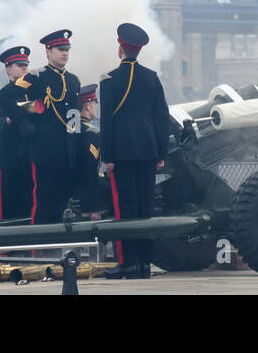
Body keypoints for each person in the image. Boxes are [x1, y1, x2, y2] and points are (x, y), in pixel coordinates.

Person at [99, 22, 171, 279]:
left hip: (121, 154)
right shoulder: (151, 78)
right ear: (138, 50)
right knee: (145, 208)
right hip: (149, 152)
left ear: (120, 48)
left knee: (125, 210)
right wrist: (161, 153)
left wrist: (107, 157)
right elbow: (161, 118)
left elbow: (107, 122)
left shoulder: (109, 80)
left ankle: (127, 263)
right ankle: (144, 263)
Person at [27, 29, 81, 224]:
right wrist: (32, 124)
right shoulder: (36, 77)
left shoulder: (73, 80)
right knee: (43, 204)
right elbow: (18, 105)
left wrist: (76, 146)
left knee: (62, 205)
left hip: (66, 154)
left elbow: (74, 117)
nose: (65, 53)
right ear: (48, 51)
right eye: (60, 49)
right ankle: (38, 243)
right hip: (45, 152)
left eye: (67, 49)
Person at [0, 45, 34, 221]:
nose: (24, 68)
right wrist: (17, 114)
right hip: (10, 158)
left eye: (26, 65)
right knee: (8, 209)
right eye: (19, 65)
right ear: (8, 69)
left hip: (32, 156)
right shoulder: (0, 95)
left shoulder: (34, 93)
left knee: (32, 207)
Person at [73, 84, 104, 221]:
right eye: (94, 104)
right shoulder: (91, 133)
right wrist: (94, 207)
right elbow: (90, 172)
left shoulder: (72, 129)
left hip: (73, 194)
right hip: (86, 200)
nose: (96, 108)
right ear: (87, 106)